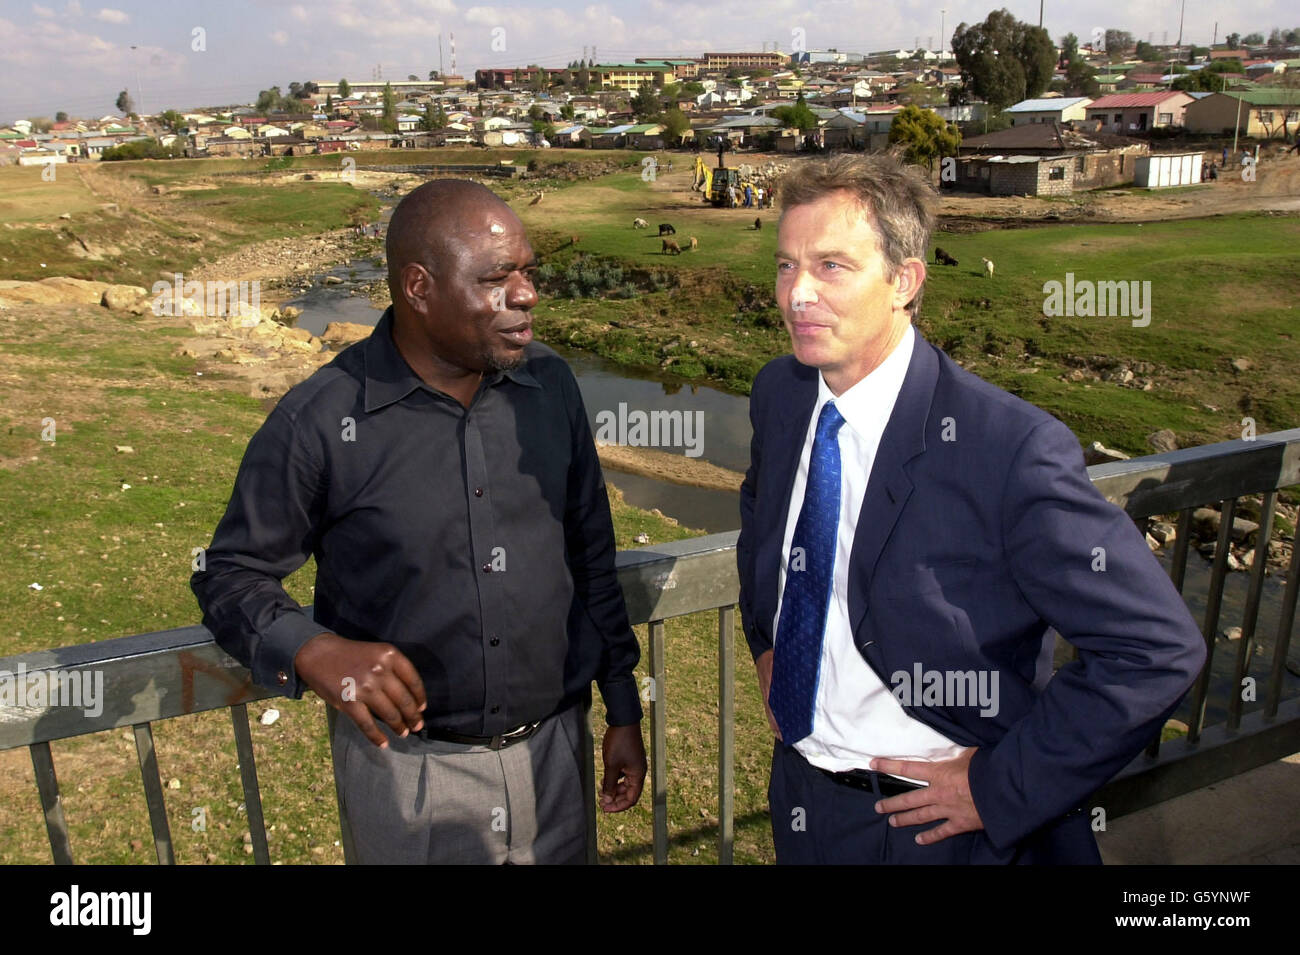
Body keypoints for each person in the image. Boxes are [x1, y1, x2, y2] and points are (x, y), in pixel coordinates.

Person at [737, 154, 1205, 865]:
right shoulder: (781, 393)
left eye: (831, 266)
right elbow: (763, 523)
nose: (796, 292)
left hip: (938, 829)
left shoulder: (1008, 447)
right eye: (784, 265)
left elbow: (1156, 650)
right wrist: (767, 641)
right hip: (802, 796)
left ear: (904, 281)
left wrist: (997, 788)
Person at [192, 179, 647, 864]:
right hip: (409, 776)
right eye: (497, 279)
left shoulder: (551, 389)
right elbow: (229, 573)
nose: (525, 295)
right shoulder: (320, 419)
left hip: (558, 755)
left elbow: (589, 552)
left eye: (527, 272)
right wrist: (313, 650)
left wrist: (621, 706)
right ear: (419, 287)